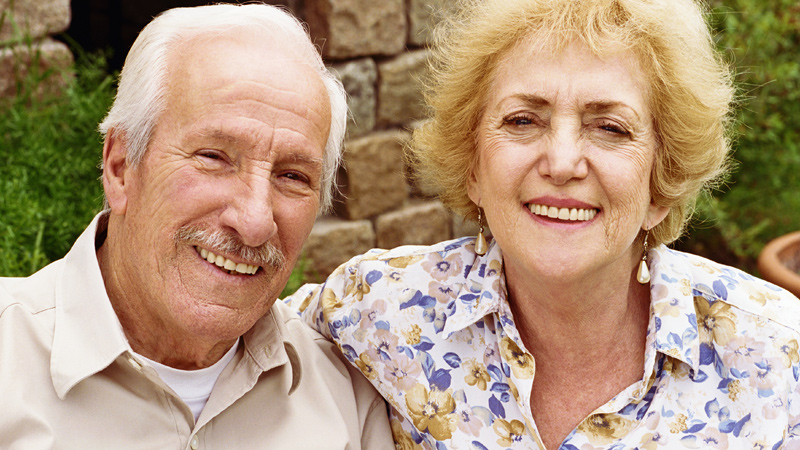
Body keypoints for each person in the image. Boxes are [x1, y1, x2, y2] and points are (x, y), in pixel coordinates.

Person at [286, 0, 800, 448]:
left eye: (610, 127)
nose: (561, 161)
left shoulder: (777, 357)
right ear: (472, 167)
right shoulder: (379, 310)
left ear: (660, 186)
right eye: (523, 120)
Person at [0, 4, 394, 449]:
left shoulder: (346, 395)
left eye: (292, 176)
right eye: (214, 158)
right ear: (121, 166)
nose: (254, 221)